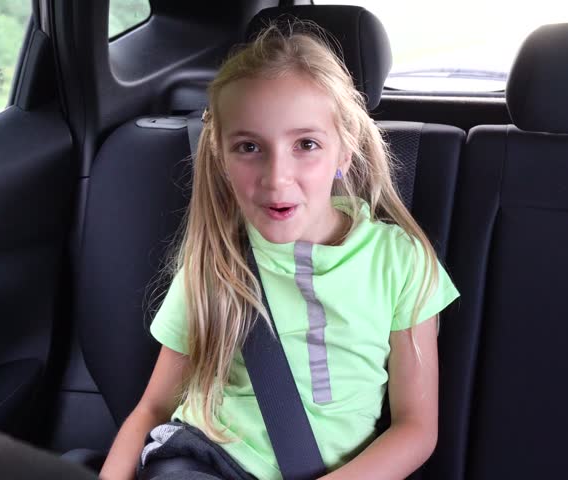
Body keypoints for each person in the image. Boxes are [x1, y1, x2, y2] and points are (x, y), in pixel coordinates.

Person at [100, 23, 460, 480]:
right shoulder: (216, 261)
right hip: (207, 461)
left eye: (306, 145)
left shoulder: (400, 261)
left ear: (343, 152)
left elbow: (415, 428)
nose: (277, 177)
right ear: (222, 161)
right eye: (249, 147)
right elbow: (154, 405)